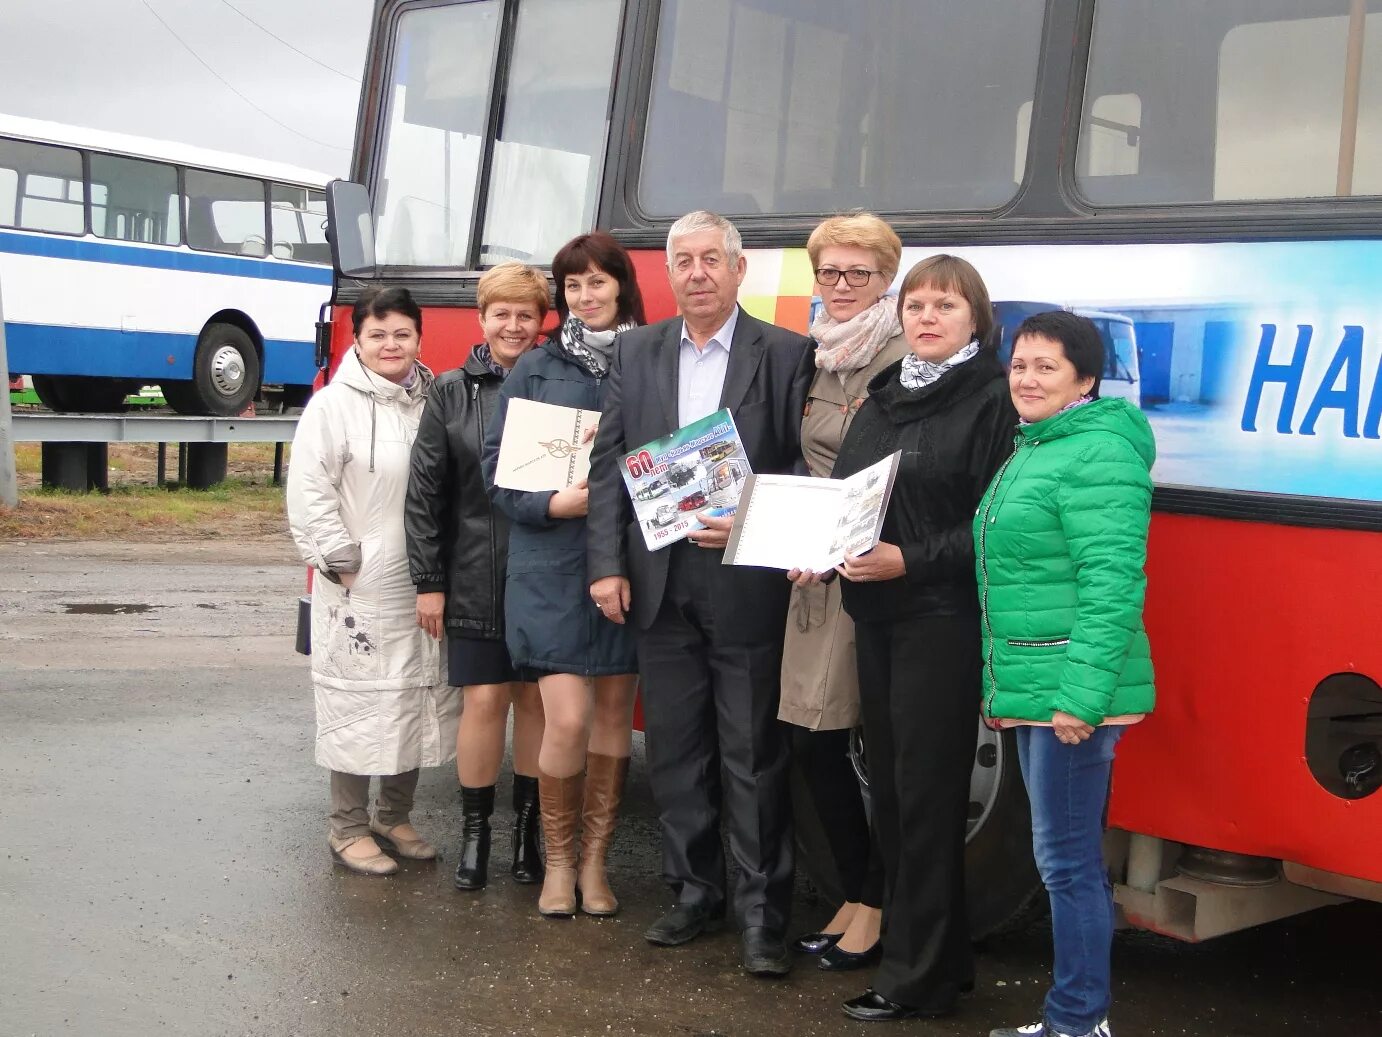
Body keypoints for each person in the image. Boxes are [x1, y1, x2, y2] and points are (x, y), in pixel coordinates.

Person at [586, 211, 814, 977]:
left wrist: (750, 522)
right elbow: (610, 463)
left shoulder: (784, 353)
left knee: (752, 754)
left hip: (745, 582)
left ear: (739, 269)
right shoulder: (637, 351)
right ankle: (693, 891)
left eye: (710, 258)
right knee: (679, 750)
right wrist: (605, 565)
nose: (696, 273)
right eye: (682, 260)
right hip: (657, 582)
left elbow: (798, 473)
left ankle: (761, 914)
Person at [825, 255, 1018, 1020]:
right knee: (898, 795)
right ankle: (942, 959)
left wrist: (910, 558)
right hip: (875, 616)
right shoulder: (883, 396)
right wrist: (819, 551)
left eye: (946, 304)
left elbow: (993, 527)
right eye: (917, 305)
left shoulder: (994, 400)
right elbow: (846, 498)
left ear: (976, 318)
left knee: (929, 796)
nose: (928, 317)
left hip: (943, 618)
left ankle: (917, 978)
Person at [981, 311, 1155, 1037]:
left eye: (1046, 366)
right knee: (1062, 857)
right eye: (1019, 363)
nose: (1027, 377)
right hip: (1036, 686)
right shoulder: (1040, 444)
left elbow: (1112, 582)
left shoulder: (1097, 454)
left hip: (1068, 694)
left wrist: (1081, 698)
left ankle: (1079, 1022)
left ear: (1085, 378)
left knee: (1067, 864)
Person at [481, 232, 645, 919]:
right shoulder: (536, 366)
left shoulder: (651, 357)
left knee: (613, 713)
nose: (586, 295)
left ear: (620, 286)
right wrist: (552, 502)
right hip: (550, 563)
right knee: (568, 715)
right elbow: (497, 465)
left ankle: (596, 864)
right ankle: (557, 861)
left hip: (629, 561)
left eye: (597, 282)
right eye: (573, 285)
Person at [287, 286, 457, 876]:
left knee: (414, 692)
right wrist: (339, 558)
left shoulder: (434, 397)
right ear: (357, 339)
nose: (391, 345)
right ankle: (347, 827)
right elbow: (310, 490)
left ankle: (394, 814)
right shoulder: (332, 407)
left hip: (423, 576)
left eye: (402, 333)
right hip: (359, 581)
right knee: (358, 699)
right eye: (377, 334)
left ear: (418, 337)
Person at [780, 214, 907, 971]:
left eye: (858, 273)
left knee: (883, 747)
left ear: (887, 277)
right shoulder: (816, 356)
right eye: (829, 272)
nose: (842, 286)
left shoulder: (901, 353)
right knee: (812, 736)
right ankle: (859, 891)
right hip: (810, 566)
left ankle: (879, 901)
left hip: (872, 569)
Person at [405, 262, 548, 892]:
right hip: (472, 574)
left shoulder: (561, 382)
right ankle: (475, 836)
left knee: (536, 702)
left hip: (546, 573)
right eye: (502, 313)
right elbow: (426, 492)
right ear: (482, 318)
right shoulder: (450, 392)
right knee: (484, 701)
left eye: (526, 314)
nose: (513, 325)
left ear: (542, 322)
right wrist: (429, 581)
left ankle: (526, 834)